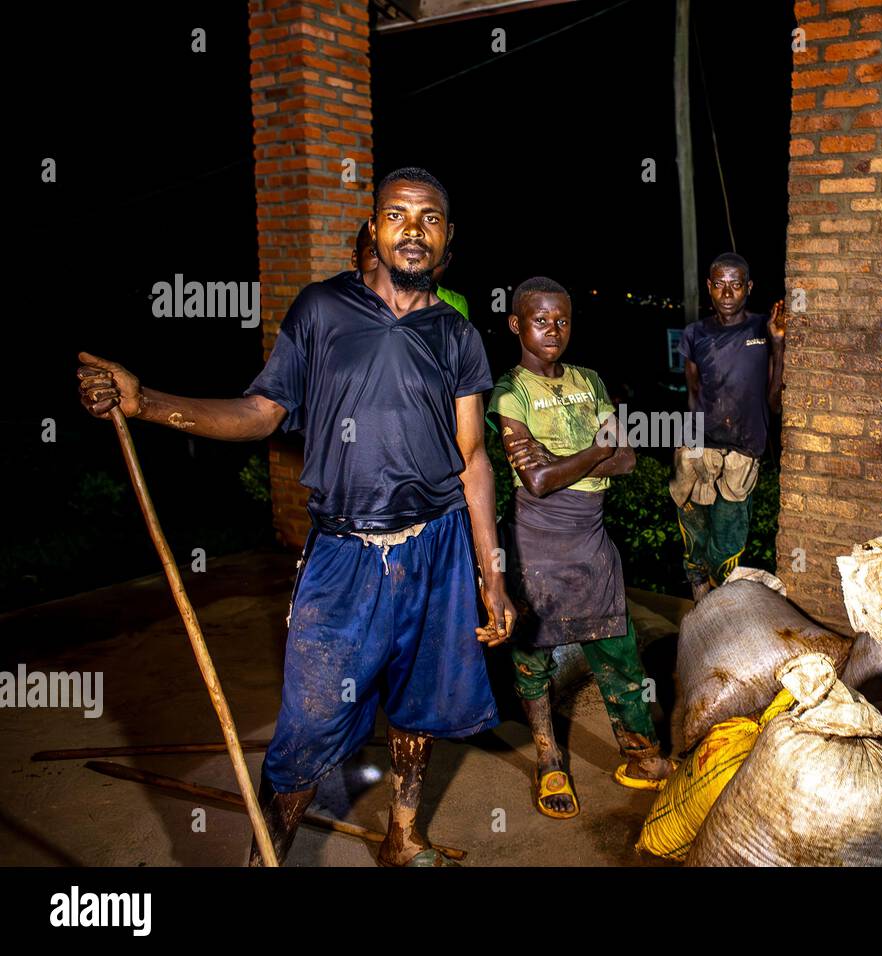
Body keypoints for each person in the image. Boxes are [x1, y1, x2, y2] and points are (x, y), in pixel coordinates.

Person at [77, 167, 514, 867]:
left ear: (448, 238)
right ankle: (267, 857)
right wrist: (146, 403)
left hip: (438, 549)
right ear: (373, 228)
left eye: (430, 218)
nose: (413, 229)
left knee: (421, 704)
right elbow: (261, 412)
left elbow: (473, 459)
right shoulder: (321, 310)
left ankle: (404, 834)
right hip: (345, 556)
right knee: (309, 726)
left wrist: (491, 574)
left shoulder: (455, 335)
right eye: (397, 215)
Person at [488, 277, 673, 818]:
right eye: (540, 320)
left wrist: (571, 459)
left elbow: (628, 459)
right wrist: (596, 451)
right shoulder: (509, 391)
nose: (553, 330)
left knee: (618, 651)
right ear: (517, 325)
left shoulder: (589, 379)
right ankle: (549, 762)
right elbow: (536, 483)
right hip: (536, 548)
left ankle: (645, 758)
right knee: (533, 661)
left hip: (591, 542)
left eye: (563, 320)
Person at [673, 252, 785, 602]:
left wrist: (778, 344)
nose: (726, 293)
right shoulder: (695, 333)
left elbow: (774, 398)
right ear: (709, 287)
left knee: (729, 541)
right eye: (719, 285)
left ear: (748, 288)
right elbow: (692, 392)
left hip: (742, 453)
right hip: (698, 449)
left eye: (735, 285)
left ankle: (724, 607)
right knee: (694, 533)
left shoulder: (763, 328)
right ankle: (699, 605)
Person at [353, 219, 469, 319]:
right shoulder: (341, 303)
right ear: (355, 258)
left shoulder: (450, 307)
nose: (385, 263)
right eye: (374, 253)